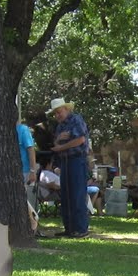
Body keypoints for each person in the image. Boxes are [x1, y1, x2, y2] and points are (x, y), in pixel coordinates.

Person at [49, 96, 90, 237]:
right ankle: (69, 228)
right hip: (65, 162)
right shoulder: (60, 126)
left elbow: (80, 139)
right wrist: (59, 140)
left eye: (59, 112)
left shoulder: (76, 120)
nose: (57, 115)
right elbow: (56, 142)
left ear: (66, 109)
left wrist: (61, 147)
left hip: (77, 160)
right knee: (66, 195)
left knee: (77, 194)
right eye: (55, 113)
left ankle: (81, 229)